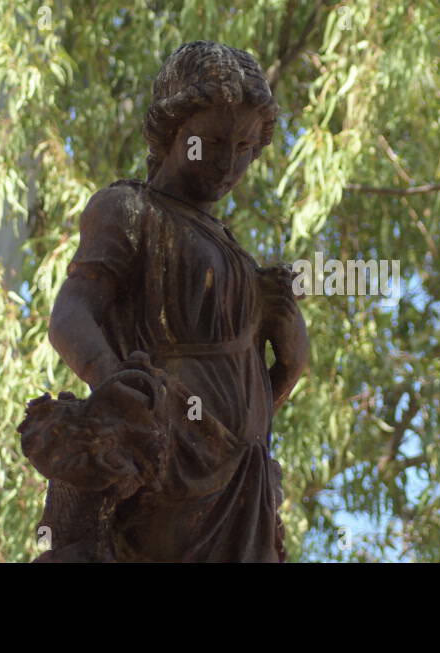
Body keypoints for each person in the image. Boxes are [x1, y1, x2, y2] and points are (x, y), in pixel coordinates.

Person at [46, 41, 308, 562]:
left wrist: (292, 351)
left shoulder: (238, 255)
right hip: (168, 458)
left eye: (244, 149)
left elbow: (259, 389)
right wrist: (114, 382)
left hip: (244, 477)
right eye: (209, 142)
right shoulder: (128, 210)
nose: (226, 163)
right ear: (171, 130)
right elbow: (70, 315)